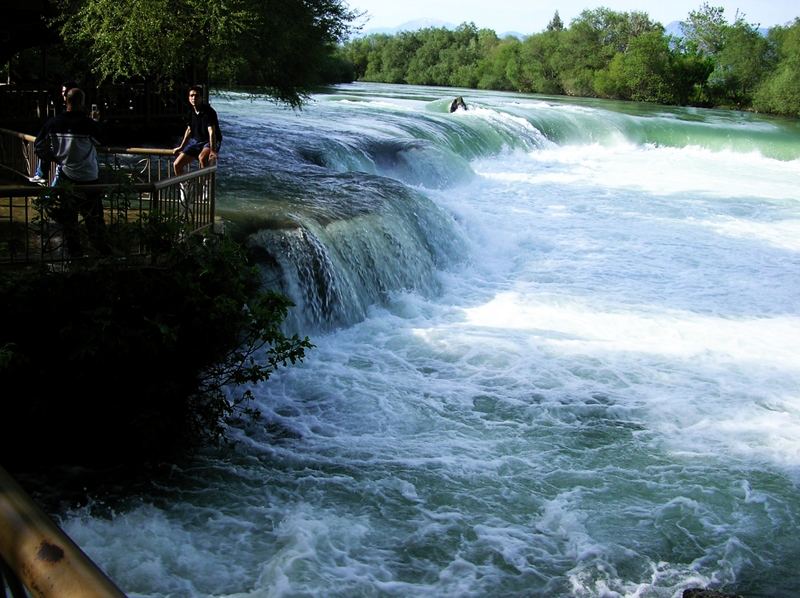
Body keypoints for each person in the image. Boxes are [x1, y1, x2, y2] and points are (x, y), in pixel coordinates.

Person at [34, 87, 108, 256]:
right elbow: (102, 141)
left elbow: (38, 146)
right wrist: (96, 122)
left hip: (67, 177)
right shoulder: (88, 124)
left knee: (70, 219)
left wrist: (55, 158)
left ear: (65, 101)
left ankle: (75, 257)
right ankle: (102, 256)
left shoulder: (53, 123)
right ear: (82, 103)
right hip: (89, 178)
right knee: (94, 219)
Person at [30, 80, 79, 184]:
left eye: (66, 91)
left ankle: (41, 175)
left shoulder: (76, 113)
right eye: (63, 91)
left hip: (71, 152)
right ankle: (40, 174)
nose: (64, 94)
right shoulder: (61, 108)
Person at [173, 85, 222, 175]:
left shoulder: (209, 112)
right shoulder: (190, 112)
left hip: (211, 140)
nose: (194, 98)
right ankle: (184, 188)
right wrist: (181, 147)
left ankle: (205, 186)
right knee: (177, 164)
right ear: (188, 98)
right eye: (191, 95)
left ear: (201, 98)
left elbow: (212, 132)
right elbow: (189, 131)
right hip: (197, 141)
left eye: (196, 95)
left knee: (202, 158)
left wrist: (213, 151)